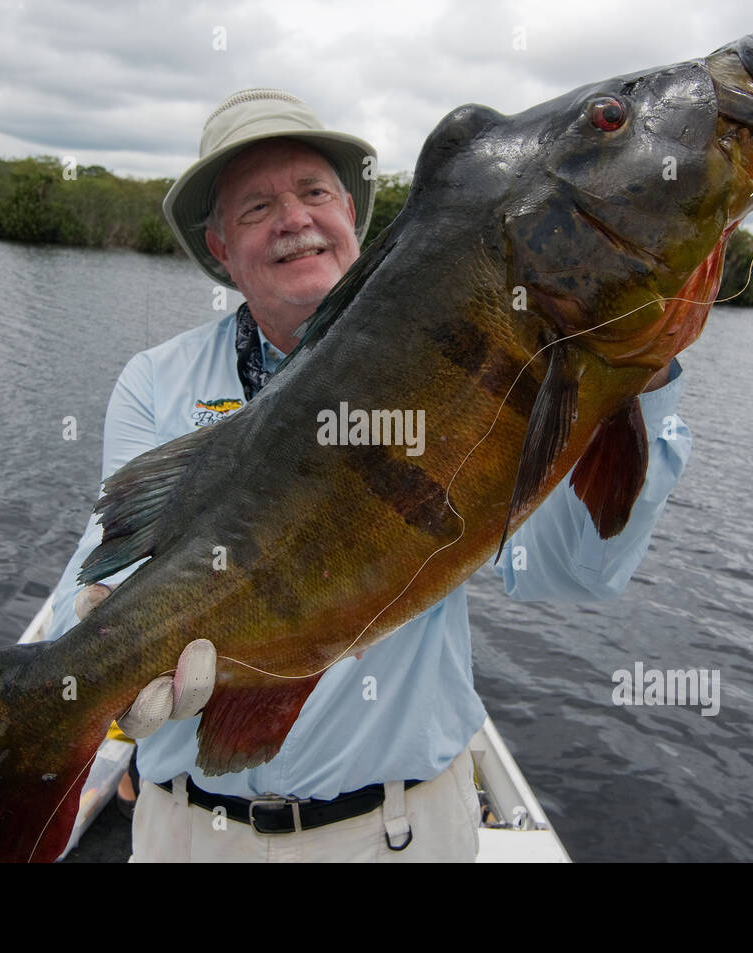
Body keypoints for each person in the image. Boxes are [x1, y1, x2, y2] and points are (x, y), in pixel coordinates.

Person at [41, 88, 692, 862]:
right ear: (220, 248)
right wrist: (88, 653)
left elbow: (572, 571)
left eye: (313, 192)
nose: (293, 219)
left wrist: (637, 371)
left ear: (351, 211)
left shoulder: (491, 353)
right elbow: (107, 570)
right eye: (256, 208)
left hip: (398, 835)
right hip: (192, 836)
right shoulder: (156, 381)